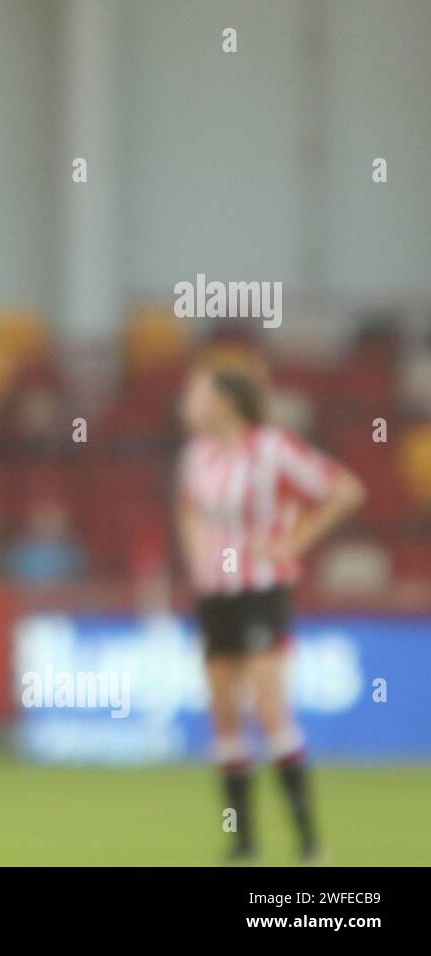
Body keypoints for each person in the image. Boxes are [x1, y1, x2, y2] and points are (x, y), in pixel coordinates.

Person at [175, 349, 365, 863]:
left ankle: (308, 841)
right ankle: (244, 844)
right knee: (224, 717)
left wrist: (292, 543)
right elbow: (190, 508)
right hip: (216, 596)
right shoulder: (198, 455)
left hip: (261, 592)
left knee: (269, 707)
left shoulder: (272, 449)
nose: (187, 402)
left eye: (197, 392)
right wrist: (198, 557)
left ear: (225, 401)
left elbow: (344, 490)